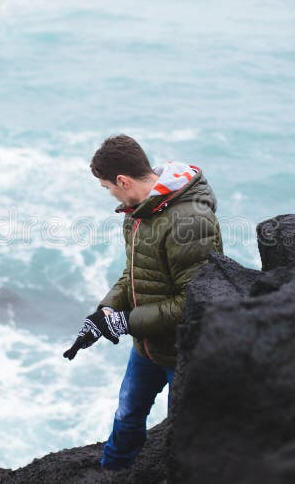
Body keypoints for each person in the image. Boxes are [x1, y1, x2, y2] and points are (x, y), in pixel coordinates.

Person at [63, 134, 224, 470]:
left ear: (123, 180)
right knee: (126, 414)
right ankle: (113, 472)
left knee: (186, 435)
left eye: (107, 186)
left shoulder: (189, 221)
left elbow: (198, 299)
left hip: (184, 352)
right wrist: (104, 313)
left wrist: (126, 322)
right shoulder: (138, 211)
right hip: (147, 346)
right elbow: (133, 274)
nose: (109, 193)